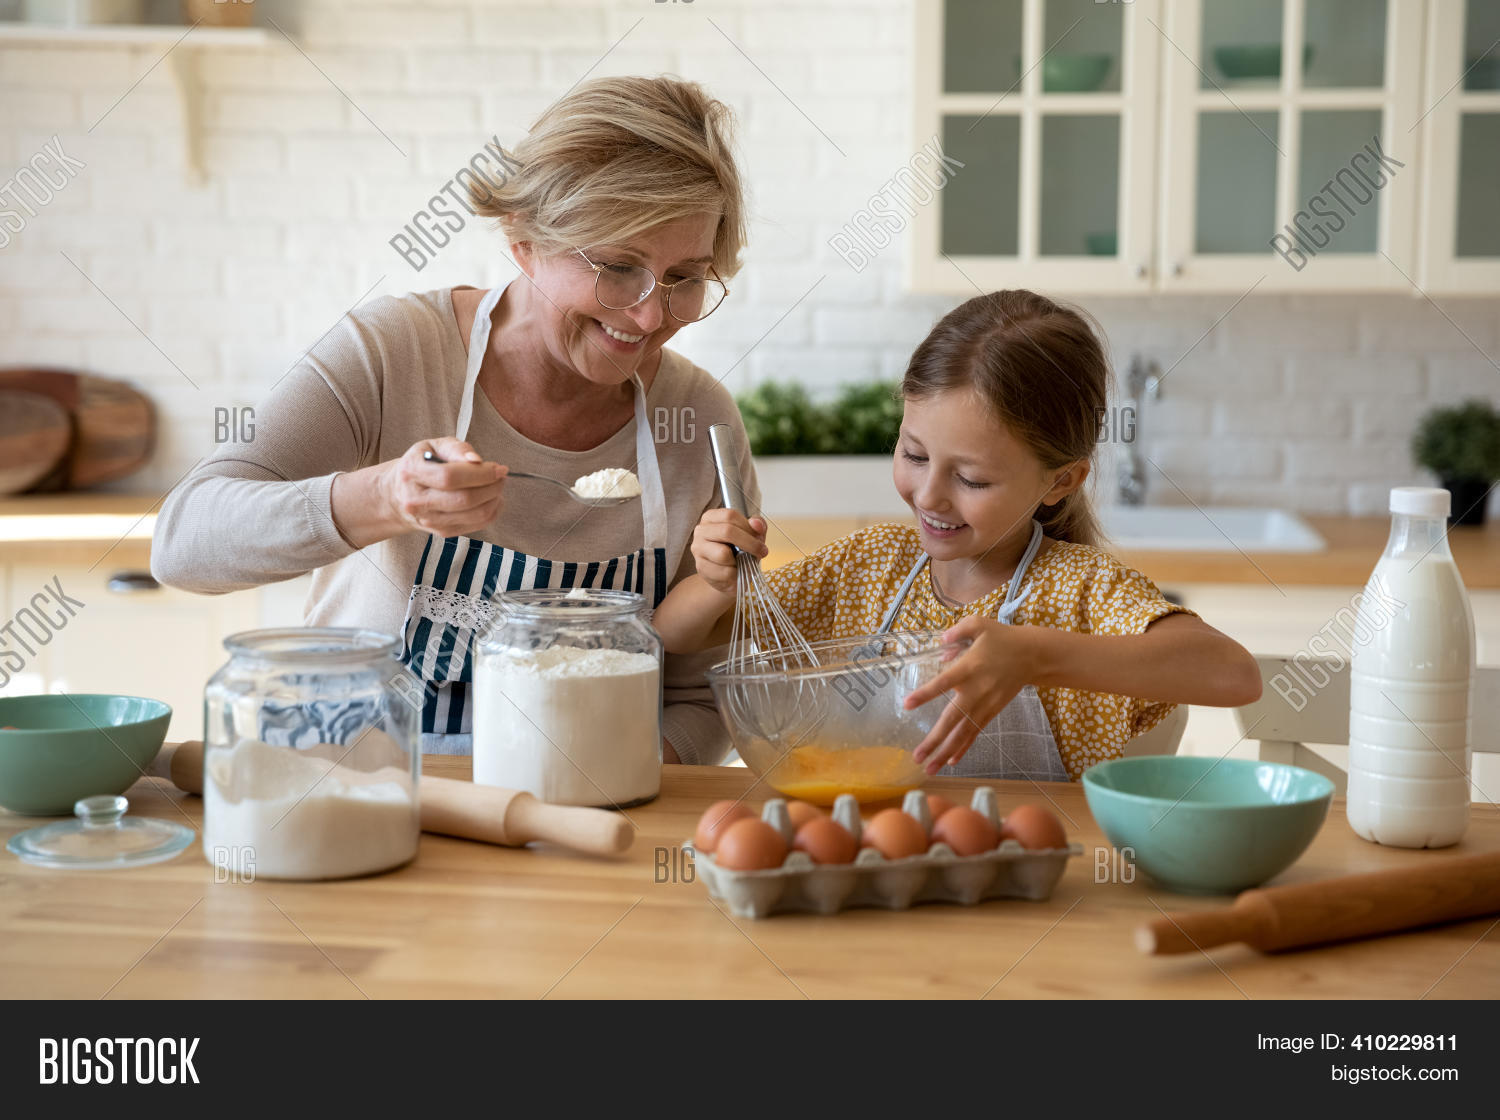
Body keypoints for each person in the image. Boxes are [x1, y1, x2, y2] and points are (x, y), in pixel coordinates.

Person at [152, 75, 756, 764]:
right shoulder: (394, 352)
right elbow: (183, 542)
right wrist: (384, 497)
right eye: (619, 267)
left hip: (583, 827)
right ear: (524, 239)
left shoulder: (699, 422)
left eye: (685, 277)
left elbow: (701, 696)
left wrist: (607, 785)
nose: (650, 315)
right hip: (358, 799)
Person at [652, 290, 1263, 781]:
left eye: (971, 478)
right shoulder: (865, 567)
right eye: (914, 455)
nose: (930, 496)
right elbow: (674, 634)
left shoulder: (1079, 591)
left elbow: (1233, 673)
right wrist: (714, 581)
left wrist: (1033, 655)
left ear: (1059, 482)